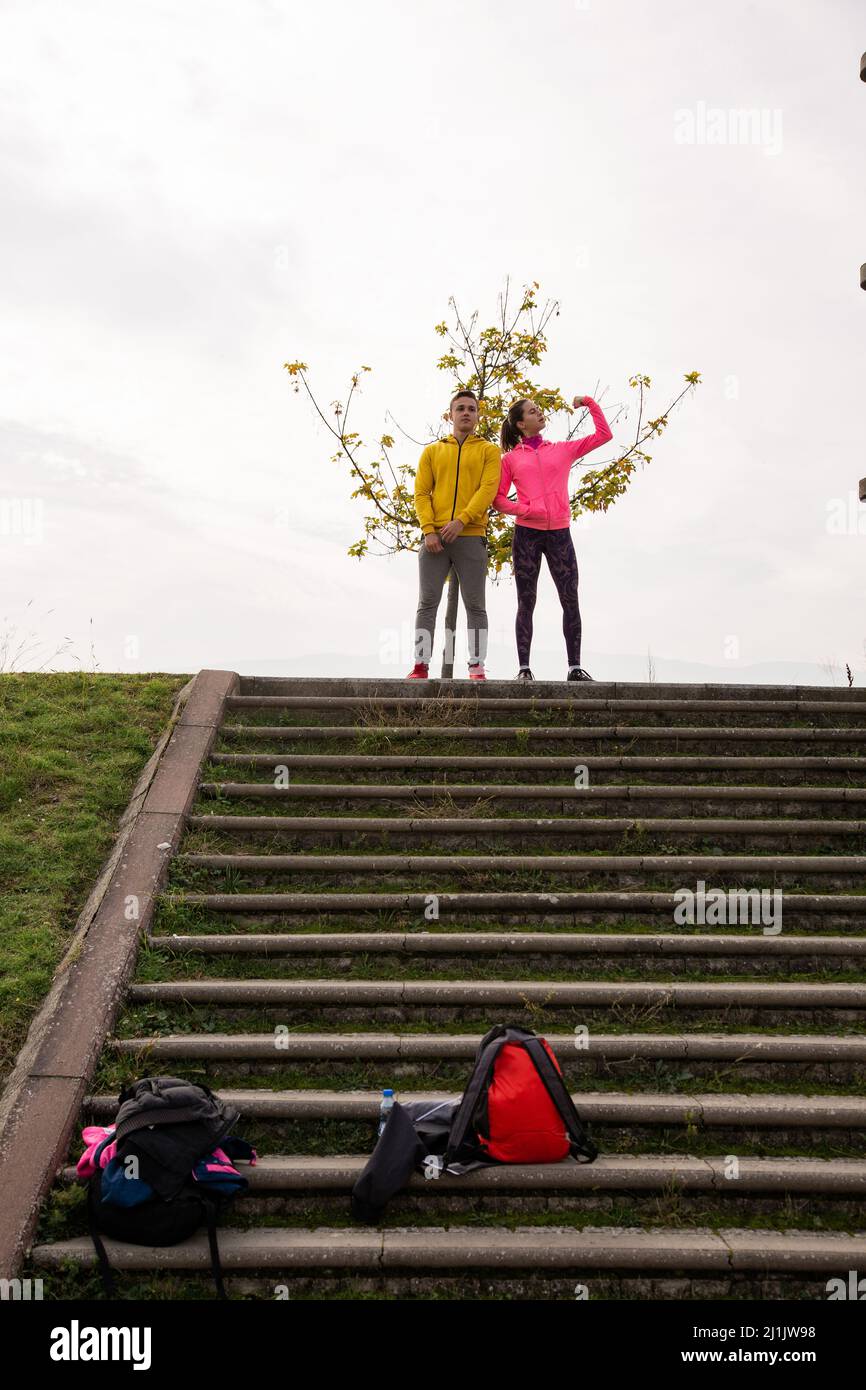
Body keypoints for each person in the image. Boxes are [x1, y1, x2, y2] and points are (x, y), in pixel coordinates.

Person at [493, 394, 612, 681]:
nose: (540, 413)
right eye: (533, 412)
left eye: (539, 409)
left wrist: (589, 403)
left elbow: (604, 435)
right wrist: (526, 510)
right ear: (522, 424)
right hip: (527, 535)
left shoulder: (562, 450)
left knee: (570, 599)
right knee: (526, 601)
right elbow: (498, 500)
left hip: (559, 533)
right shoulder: (509, 460)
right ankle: (524, 670)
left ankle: (574, 668)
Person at [407, 389, 501, 681]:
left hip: (472, 536)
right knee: (427, 603)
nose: (466, 413)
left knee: (475, 604)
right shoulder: (433, 451)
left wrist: (462, 521)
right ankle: (421, 665)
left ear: (477, 415)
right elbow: (421, 493)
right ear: (450, 415)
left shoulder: (489, 450)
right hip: (434, 539)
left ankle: (476, 665)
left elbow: (488, 490)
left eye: (471, 409)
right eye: (460, 408)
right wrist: (428, 530)